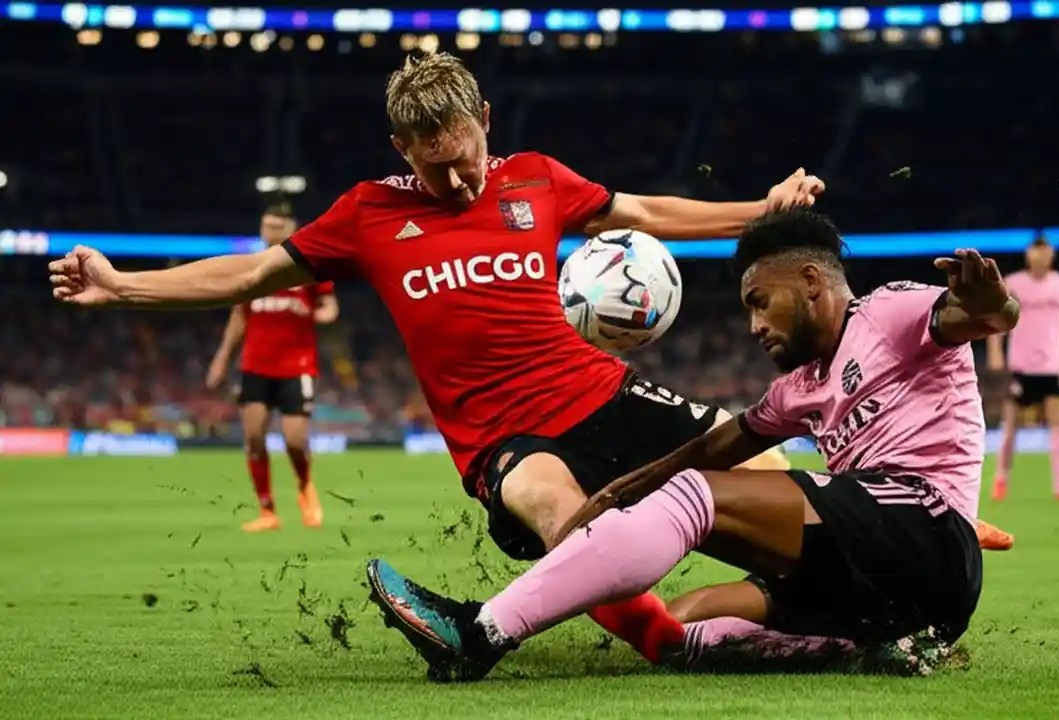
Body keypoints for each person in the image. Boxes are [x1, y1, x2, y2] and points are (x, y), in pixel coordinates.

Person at [48, 51, 807, 661]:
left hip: (602, 392)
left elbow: (642, 211)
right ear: (401, 148)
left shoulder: (535, 177)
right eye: (433, 166)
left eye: (466, 156)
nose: (457, 180)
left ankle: (842, 593)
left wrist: (762, 212)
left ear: (484, 120)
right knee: (560, 511)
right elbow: (250, 274)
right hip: (505, 438)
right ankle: (668, 643)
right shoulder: (367, 213)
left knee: (769, 474)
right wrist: (124, 288)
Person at [362, 208, 1020, 682]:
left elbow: (983, 316)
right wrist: (623, 490)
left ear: (812, 281)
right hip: (888, 582)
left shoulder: (890, 312)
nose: (754, 325)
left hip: (929, 530)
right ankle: (874, 646)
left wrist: (992, 302)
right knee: (679, 632)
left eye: (761, 302)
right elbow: (714, 446)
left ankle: (479, 632)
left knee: (698, 498)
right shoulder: (800, 388)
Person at [206, 203, 339, 532]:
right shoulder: (252, 269)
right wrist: (222, 359)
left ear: (292, 229)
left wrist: (313, 313)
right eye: (267, 226)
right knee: (254, 438)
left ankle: (305, 488)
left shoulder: (308, 267)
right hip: (255, 365)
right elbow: (239, 319)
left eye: (278, 227)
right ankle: (267, 511)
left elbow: (329, 308)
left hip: (297, 366)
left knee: (294, 441)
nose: (271, 232)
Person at [986, 237, 1059, 502]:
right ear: (1028, 255)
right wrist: (995, 351)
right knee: (1011, 425)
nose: (1040, 257)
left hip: (1053, 363)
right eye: (1035, 252)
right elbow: (999, 318)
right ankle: (1000, 478)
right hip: (1022, 364)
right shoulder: (1013, 283)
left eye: (1044, 252)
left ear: (1051, 255)